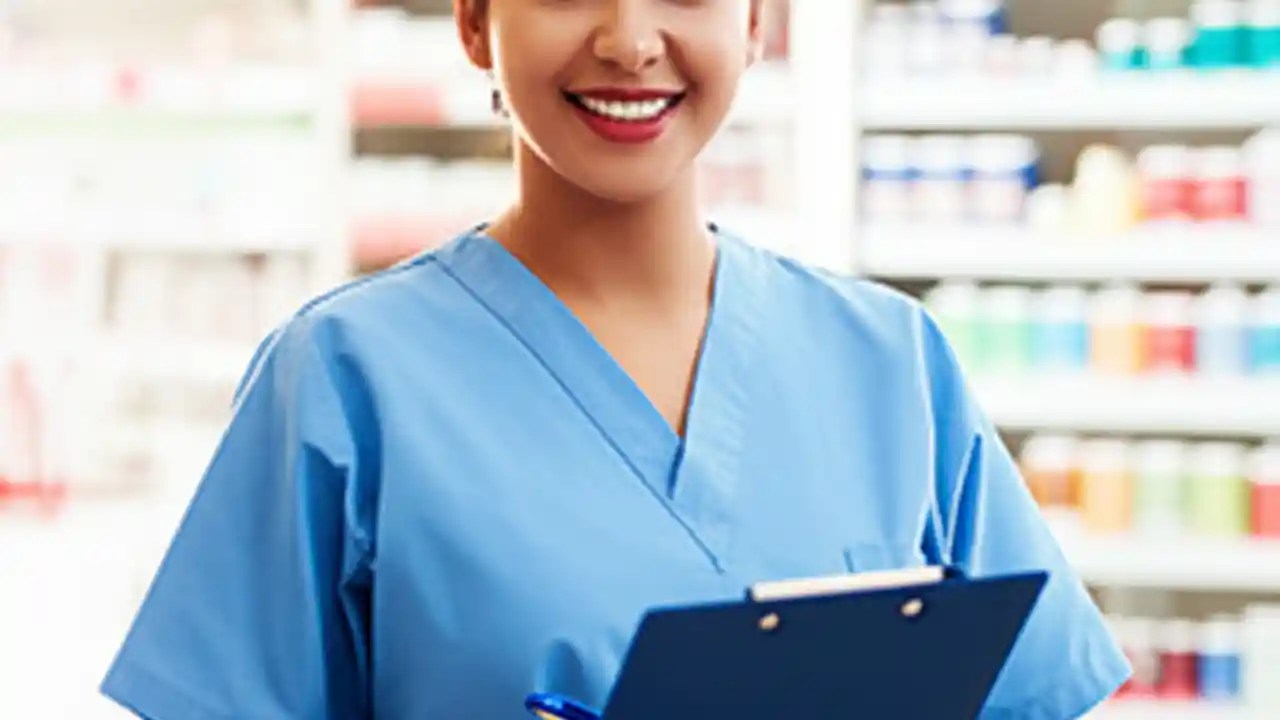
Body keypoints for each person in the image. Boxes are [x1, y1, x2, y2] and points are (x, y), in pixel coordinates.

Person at [101, 0, 1131, 718]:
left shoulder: (891, 364)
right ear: (473, 20)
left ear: (756, 21)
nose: (628, 40)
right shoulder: (339, 381)